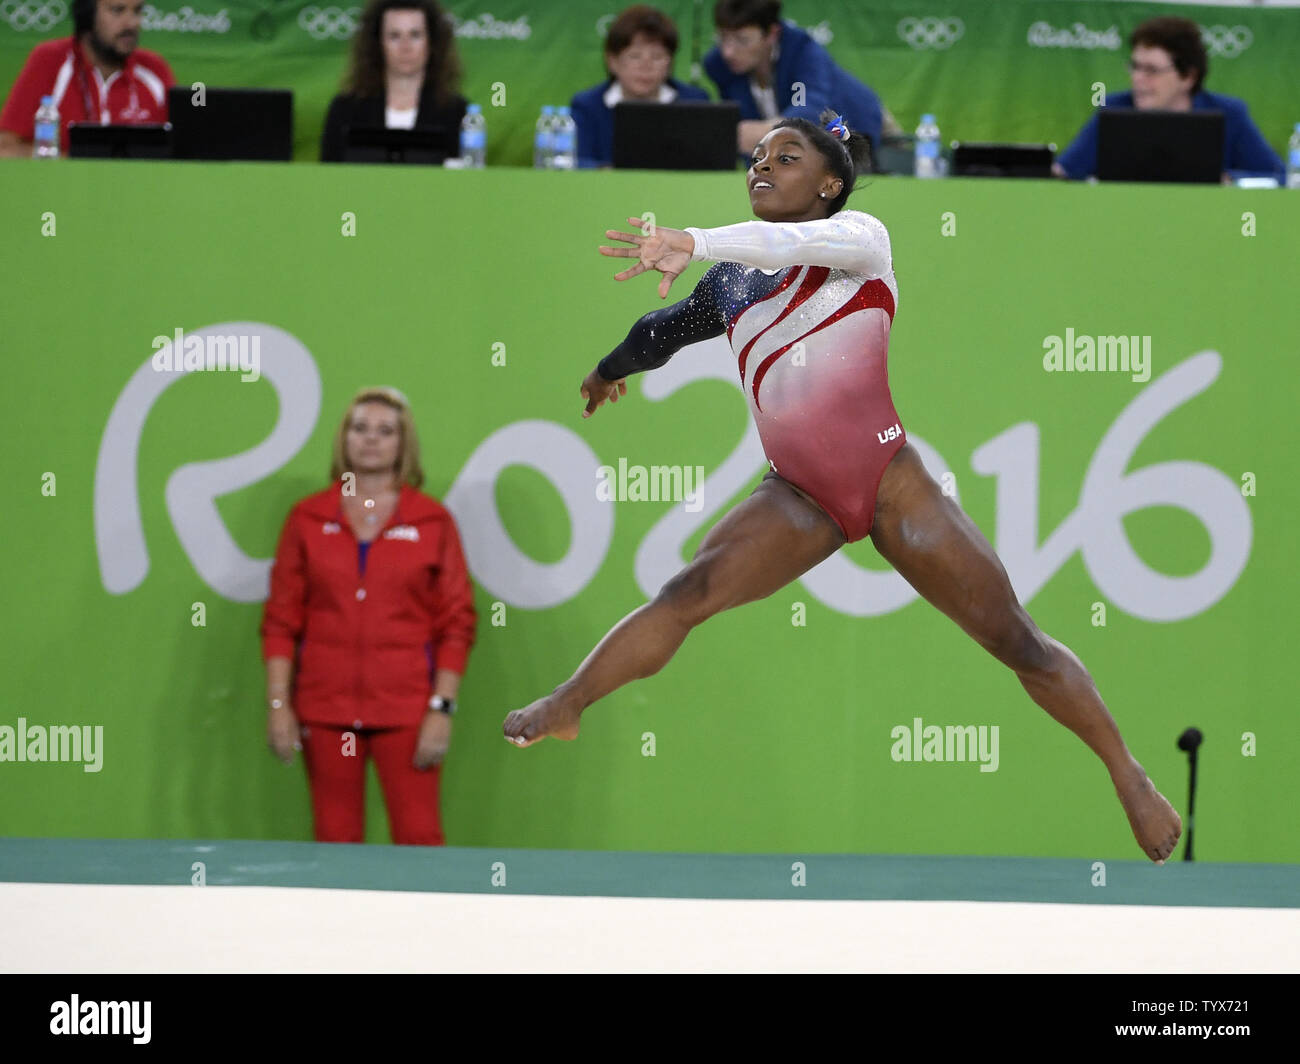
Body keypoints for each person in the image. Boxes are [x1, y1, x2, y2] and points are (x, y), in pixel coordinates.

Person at [502, 109, 1184, 865]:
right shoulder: (731, 280)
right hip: (799, 495)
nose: (762, 165)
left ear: (830, 185)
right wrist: (608, 370)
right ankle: (570, 701)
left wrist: (691, 239)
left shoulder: (863, 242)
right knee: (688, 592)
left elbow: (782, 243)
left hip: (891, 483)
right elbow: (660, 331)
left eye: (785, 157)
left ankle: (1127, 773)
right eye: (757, 155)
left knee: (1015, 639)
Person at [262, 387, 477, 845]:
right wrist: (279, 705)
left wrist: (442, 708)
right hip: (325, 711)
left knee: (420, 841)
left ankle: (426, 922)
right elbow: (281, 622)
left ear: (404, 443)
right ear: (344, 439)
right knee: (335, 845)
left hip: (407, 711)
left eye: (386, 430)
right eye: (360, 428)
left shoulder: (432, 522)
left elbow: (456, 624)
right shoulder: (306, 519)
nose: (371, 440)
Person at [1053, 16, 1284, 183]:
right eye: (1135, 67)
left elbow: (1278, 178)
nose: (1137, 78)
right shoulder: (1112, 109)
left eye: (1151, 70)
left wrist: (1229, 179)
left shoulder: (1229, 114)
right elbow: (1065, 172)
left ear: (1188, 77)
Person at [703, 0, 883, 160]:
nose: (728, 52)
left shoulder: (802, 52)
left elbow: (808, 104)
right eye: (723, 38)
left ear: (772, 34)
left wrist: (770, 131)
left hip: (857, 124)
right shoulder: (718, 66)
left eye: (742, 40)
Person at [0, 0, 173, 159]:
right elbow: (6, 149)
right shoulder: (51, 60)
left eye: (137, 11)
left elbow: (184, 152)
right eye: (118, 10)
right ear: (87, 15)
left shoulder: (154, 70)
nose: (132, 23)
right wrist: (81, 165)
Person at [320, 0, 467, 163]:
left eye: (415, 35)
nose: (405, 47)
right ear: (377, 43)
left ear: (432, 43)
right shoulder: (345, 109)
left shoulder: (456, 112)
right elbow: (328, 176)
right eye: (394, 36)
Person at [570, 4, 711, 170]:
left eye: (657, 57)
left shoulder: (695, 102)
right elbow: (575, 162)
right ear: (612, 61)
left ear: (670, 63)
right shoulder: (588, 105)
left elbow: (709, 165)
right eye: (635, 56)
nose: (646, 66)